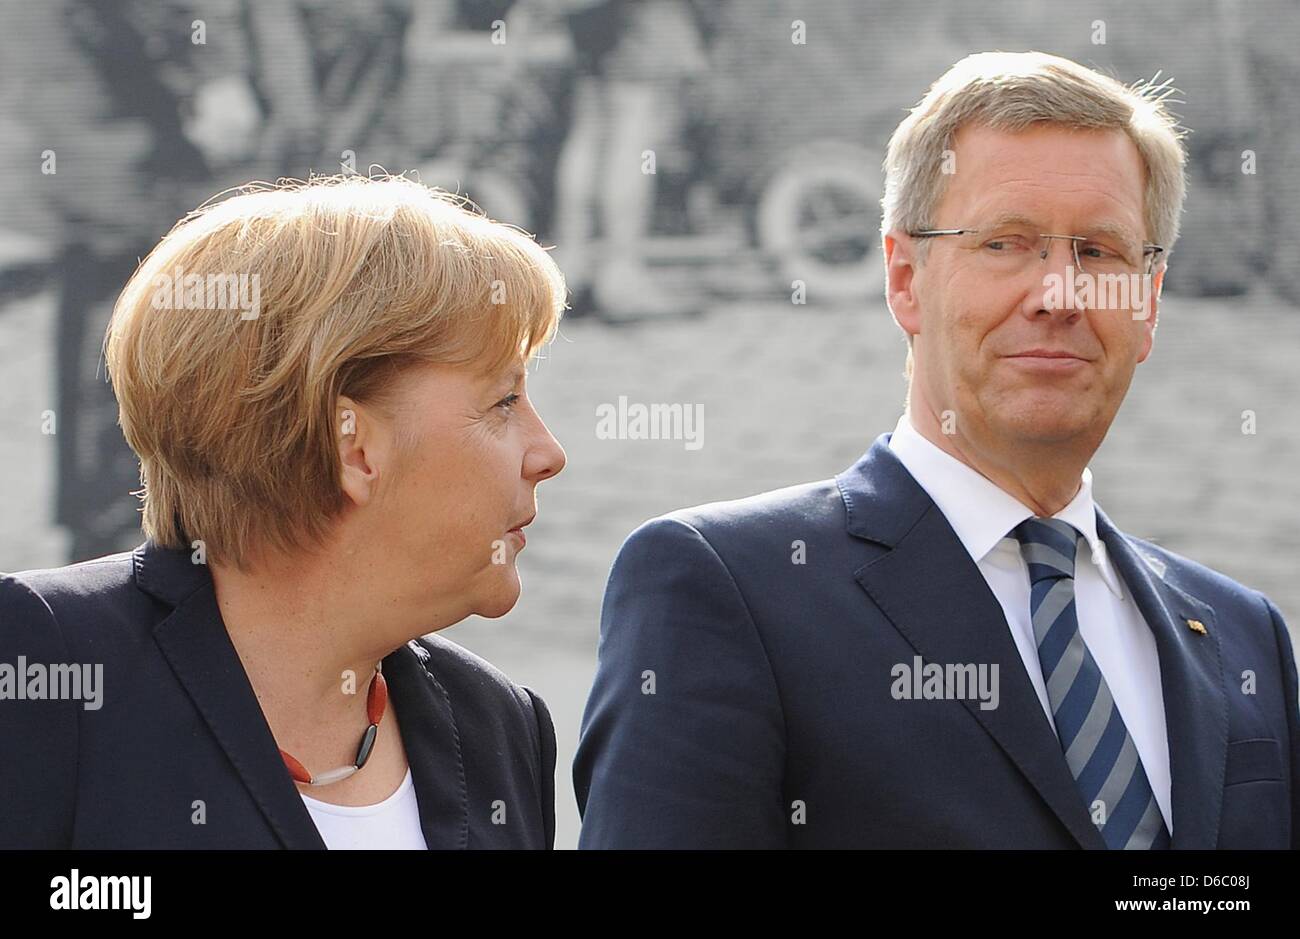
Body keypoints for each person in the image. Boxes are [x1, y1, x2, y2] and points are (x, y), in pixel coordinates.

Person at [573, 52, 1300, 849]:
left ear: (1149, 302)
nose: (1059, 293)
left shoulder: (1244, 634)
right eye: (1005, 243)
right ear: (904, 277)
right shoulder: (729, 590)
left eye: (1099, 252)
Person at [0, 174, 567, 849]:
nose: (547, 452)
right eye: (504, 400)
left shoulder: (497, 722)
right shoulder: (45, 658)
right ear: (351, 444)